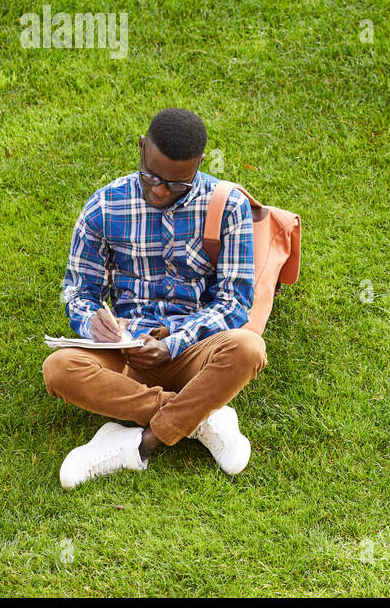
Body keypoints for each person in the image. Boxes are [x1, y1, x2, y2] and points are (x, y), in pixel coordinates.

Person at [42, 107, 267, 488]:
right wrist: (93, 323)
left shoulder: (227, 206)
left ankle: (135, 445)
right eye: (152, 176)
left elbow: (234, 302)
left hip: (194, 348)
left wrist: (173, 344)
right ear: (143, 148)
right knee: (59, 369)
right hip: (124, 350)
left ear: (197, 167)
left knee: (248, 349)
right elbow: (79, 292)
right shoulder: (104, 206)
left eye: (177, 184)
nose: (161, 190)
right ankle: (202, 418)